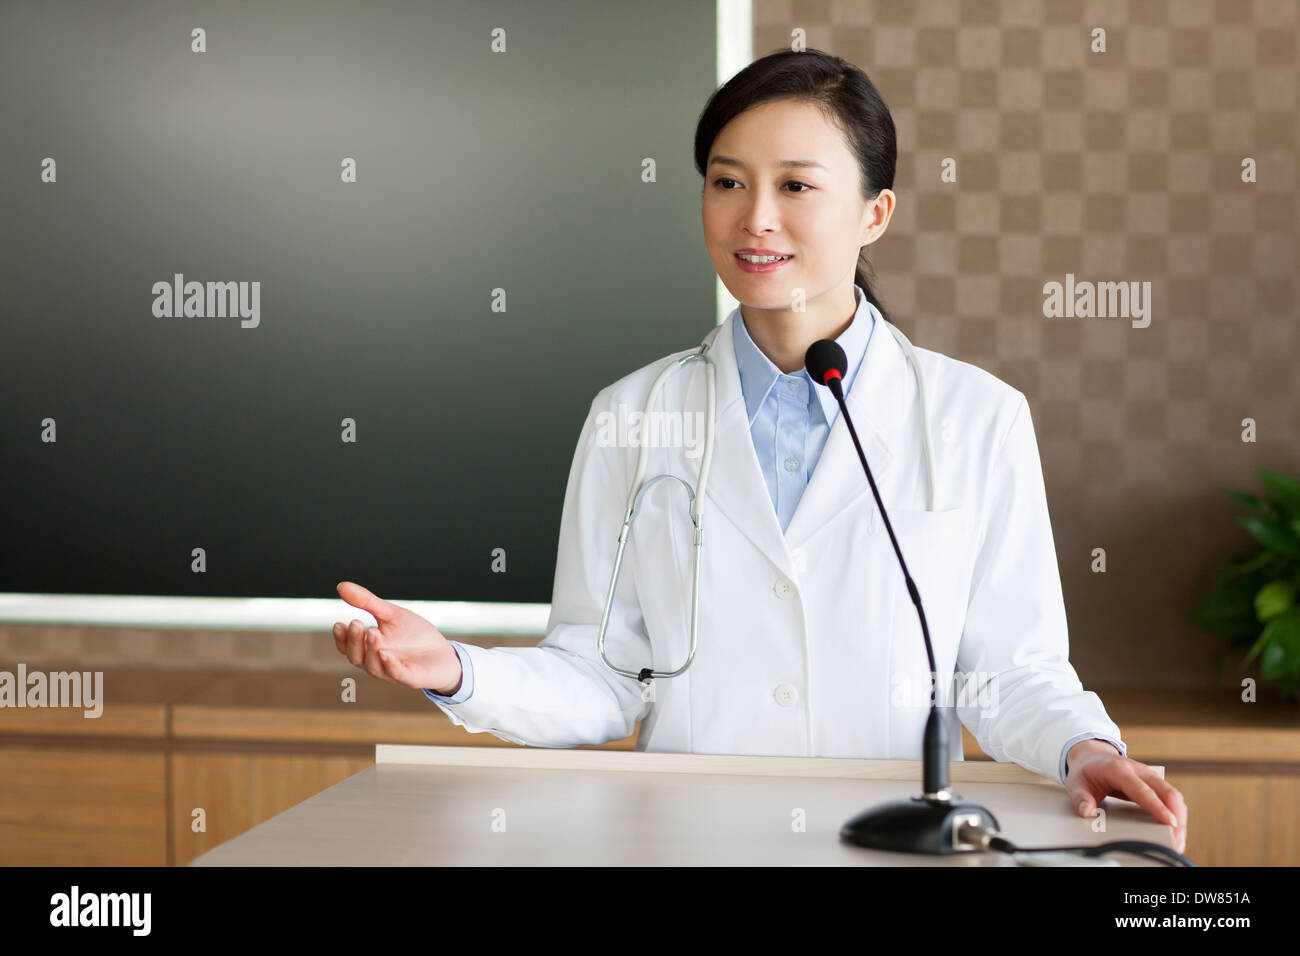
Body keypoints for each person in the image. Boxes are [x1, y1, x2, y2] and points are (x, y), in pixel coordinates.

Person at [332, 48, 1187, 853]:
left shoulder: (977, 417)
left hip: (895, 843)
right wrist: (455, 671)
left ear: (874, 212)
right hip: (686, 845)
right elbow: (601, 677)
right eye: (727, 182)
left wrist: (1083, 746)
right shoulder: (633, 414)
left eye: (797, 185)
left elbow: (1012, 673)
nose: (757, 217)